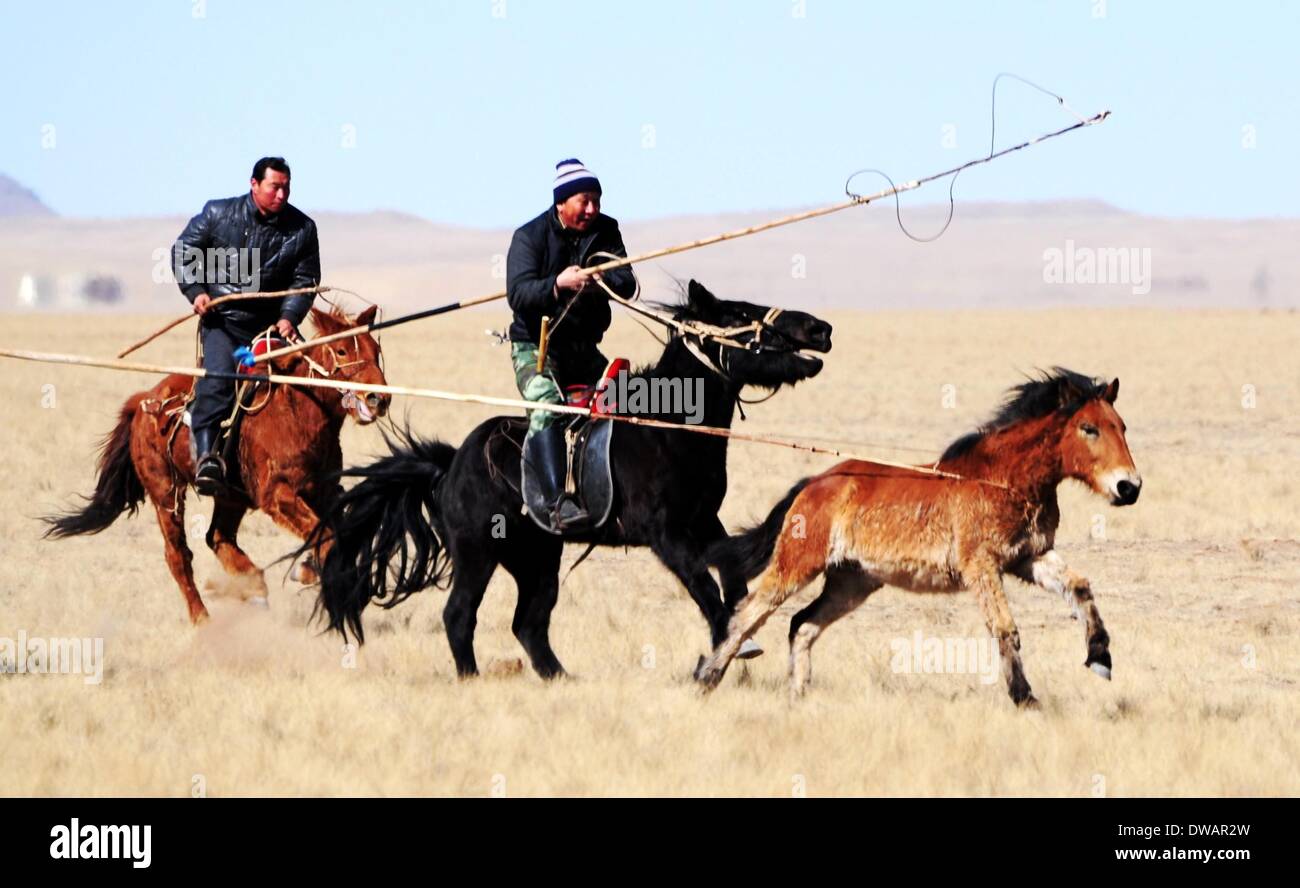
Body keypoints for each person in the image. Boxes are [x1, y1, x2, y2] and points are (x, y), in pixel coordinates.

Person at [172, 156, 321, 496]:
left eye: (286, 187)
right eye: (274, 187)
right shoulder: (217, 214)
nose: (281, 195)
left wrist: (288, 317)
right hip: (223, 323)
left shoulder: (302, 229)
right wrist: (196, 293)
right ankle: (208, 457)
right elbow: (183, 251)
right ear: (254, 185)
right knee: (220, 383)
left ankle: (300, 461)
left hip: (271, 328)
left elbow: (304, 280)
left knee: (295, 386)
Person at [507, 158, 636, 530]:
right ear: (562, 203)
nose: (593, 209)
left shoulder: (607, 230)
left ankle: (624, 496)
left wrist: (605, 277)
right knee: (546, 405)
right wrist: (557, 284)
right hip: (537, 348)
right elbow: (517, 294)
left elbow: (627, 282)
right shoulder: (528, 236)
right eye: (585, 201)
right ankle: (554, 503)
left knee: (631, 400)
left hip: (584, 350)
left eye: (597, 200)